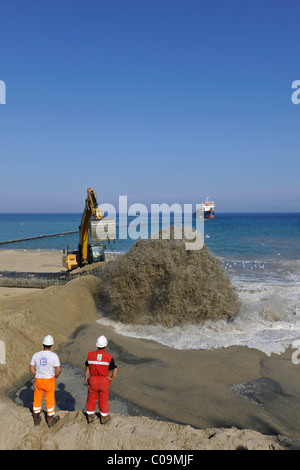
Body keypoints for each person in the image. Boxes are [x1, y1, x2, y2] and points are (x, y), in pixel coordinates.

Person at [84, 335, 117, 424]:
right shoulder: (109, 357)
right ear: (105, 346)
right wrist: (111, 378)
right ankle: (104, 417)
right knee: (103, 399)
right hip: (104, 381)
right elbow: (115, 369)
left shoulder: (90, 355)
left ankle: (90, 416)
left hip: (93, 380)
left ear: (97, 345)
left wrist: (86, 378)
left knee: (91, 398)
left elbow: (87, 368)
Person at [29, 334, 61, 428]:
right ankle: (50, 420)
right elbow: (58, 370)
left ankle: (36, 419)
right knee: (50, 399)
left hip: (39, 380)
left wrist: (36, 375)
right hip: (49, 380)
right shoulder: (54, 356)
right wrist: (55, 377)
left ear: (43, 344)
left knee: (37, 399)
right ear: (51, 345)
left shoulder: (36, 355)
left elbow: (31, 367)